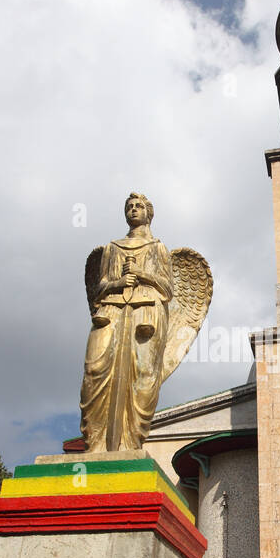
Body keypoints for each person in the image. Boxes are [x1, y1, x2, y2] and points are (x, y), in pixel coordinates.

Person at [79, 193, 173, 452]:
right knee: (95, 371)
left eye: (139, 206)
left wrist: (142, 274)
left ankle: (130, 444)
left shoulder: (158, 248)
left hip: (147, 312)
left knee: (143, 376)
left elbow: (167, 289)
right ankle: (95, 445)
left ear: (148, 213)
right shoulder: (111, 248)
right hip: (110, 312)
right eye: (129, 207)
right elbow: (99, 289)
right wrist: (118, 282)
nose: (133, 210)